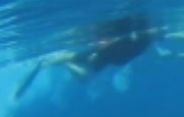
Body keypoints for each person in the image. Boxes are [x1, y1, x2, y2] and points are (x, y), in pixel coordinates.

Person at [13, 14, 156, 100]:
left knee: (78, 65)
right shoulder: (110, 51)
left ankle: (46, 63)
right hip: (117, 52)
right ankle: (46, 63)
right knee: (80, 67)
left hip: (116, 51)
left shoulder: (107, 51)